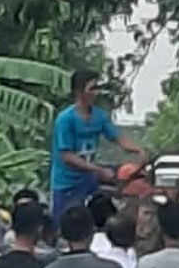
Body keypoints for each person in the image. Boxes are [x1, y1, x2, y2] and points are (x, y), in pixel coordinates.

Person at [49, 69, 145, 221]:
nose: (96, 93)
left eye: (97, 88)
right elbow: (67, 156)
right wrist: (99, 170)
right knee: (63, 224)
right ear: (79, 91)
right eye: (92, 88)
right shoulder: (65, 119)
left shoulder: (100, 116)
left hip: (88, 179)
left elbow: (118, 138)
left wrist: (139, 150)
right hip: (66, 183)